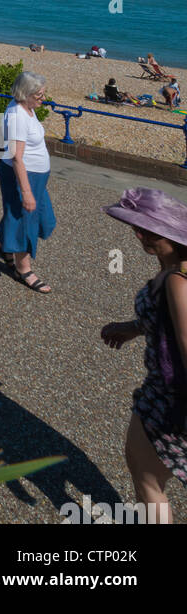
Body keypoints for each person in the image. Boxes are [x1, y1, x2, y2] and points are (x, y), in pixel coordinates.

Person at [100, 188, 187, 521]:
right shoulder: (173, 269)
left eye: (147, 229)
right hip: (166, 396)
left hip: (169, 401)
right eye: (135, 227)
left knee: (148, 482)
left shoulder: (178, 282)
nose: (137, 234)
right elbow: (168, 322)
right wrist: (133, 327)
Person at [0, 71, 56, 292]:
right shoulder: (17, 116)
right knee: (24, 221)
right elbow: (17, 157)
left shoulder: (27, 108)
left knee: (44, 219)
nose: (43, 98)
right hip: (23, 176)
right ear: (25, 94)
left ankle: (4, 242)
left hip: (35, 176)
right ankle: (23, 269)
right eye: (39, 95)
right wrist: (27, 192)